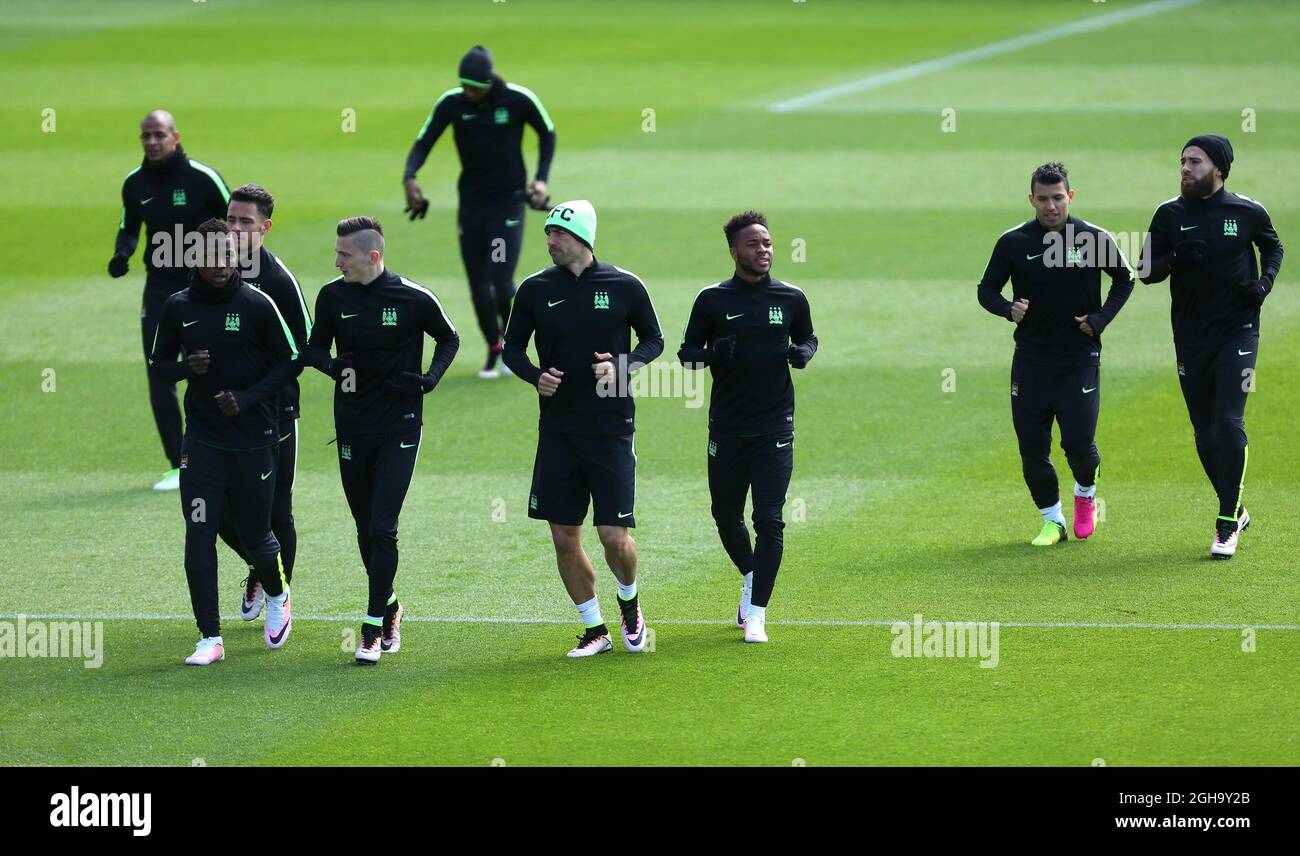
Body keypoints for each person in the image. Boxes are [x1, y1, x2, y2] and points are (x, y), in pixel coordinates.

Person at [502, 201, 663, 657]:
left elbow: (655, 339)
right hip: (557, 431)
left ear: (583, 239)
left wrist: (624, 363)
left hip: (612, 428)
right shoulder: (534, 290)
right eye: (548, 234)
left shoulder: (624, 285)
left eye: (559, 235)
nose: (550, 242)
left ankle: (628, 601)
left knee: (614, 536)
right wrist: (535, 376)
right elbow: (511, 348)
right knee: (563, 536)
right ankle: (594, 628)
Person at [305, 217, 459, 663]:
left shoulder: (412, 297)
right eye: (336, 253)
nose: (336, 262)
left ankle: (372, 627)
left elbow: (449, 338)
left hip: (400, 427)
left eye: (344, 255)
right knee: (363, 527)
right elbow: (312, 349)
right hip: (352, 427)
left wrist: (429, 379)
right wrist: (334, 367)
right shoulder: (333, 297)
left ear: (373, 256)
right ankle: (390, 604)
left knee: (381, 527)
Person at [147, 219, 299, 664]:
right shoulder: (178, 307)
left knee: (256, 533)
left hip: (255, 437)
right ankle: (209, 637)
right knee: (199, 532)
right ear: (195, 257)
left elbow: (289, 361)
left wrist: (248, 398)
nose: (221, 265)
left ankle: (276, 591)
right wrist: (185, 369)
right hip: (203, 440)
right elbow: (158, 364)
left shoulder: (257, 304)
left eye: (228, 256)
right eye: (212, 257)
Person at [1138, 136, 1283, 559]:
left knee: (1228, 420)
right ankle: (1235, 509)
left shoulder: (1246, 211)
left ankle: (1224, 524)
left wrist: (1263, 286)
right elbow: (1145, 271)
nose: (1185, 168)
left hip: (1238, 332)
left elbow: (1273, 246)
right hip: (1190, 335)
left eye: (1194, 162)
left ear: (1217, 169)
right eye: (1182, 161)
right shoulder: (1169, 214)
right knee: (1203, 428)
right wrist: (1174, 261)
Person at [678, 211, 817, 643]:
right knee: (725, 516)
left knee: (769, 520)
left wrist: (803, 353)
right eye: (754, 245)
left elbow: (810, 337)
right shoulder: (713, 300)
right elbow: (687, 355)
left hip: (775, 426)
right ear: (734, 251)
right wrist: (714, 352)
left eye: (768, 243)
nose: (764, 251)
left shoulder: (791, 298)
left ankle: (756, 612)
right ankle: (751, 577)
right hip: (727, 429)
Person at [978, 162, 1134, 547]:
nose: (1051, 206)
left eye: (1058, 198)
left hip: (1079, 358)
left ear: (1071, 196)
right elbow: (986, 290)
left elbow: (1125, 277)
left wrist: (1100, 319)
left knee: (1079, 444)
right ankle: (1053, 520)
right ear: (1031, 199)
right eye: (1043, 199)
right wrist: (1006, 309)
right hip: (1030, 359)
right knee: (1032, 447)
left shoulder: (1093, 238)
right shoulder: (1013, 242)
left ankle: (1085, 494)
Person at [403, 45, 556, 379]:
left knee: (500, 281)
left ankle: (516, 344)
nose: (468, 93)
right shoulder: (452, 103)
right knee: (477, 283)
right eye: (464, 86)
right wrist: (410, 176)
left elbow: (547, 132)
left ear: (488, 82)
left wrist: (541, 180)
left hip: (509, 203)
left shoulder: (518, 100)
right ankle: (494, 347)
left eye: (474, 87)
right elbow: (423, 140)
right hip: (471, 205)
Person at [110, 109, 230, 490]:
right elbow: (129, 226)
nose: (152, 141)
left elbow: (236, 222)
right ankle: (179, 465)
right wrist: (122, 254)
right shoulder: (135, 183)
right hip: (160, 290)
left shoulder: (201, 178)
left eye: (159, 134)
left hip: (204, 290)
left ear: (175, 136)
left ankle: (225, 452)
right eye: (145, 136)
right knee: (159, 371)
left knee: (216, 368)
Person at [215, 184, 313, 620]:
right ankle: (262, 565)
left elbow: (304, 348)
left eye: (245, 222)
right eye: (230, 219)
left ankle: (277, 594)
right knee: (212, 507)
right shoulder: (209, 270)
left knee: (276, 508)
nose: (234, 229)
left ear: (265, 227)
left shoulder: (277, 280)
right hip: (218, 411)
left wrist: (254, 391)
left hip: (275, 412)